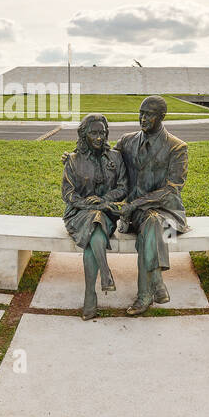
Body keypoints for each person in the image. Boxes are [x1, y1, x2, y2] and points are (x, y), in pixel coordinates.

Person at [115, 95, 190, 313]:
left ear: (162, 117)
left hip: (169, 217)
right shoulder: (127, 141)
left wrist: (135, 203)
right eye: (141, 113)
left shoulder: (177, 147)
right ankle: (156, 282)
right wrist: (76, 157)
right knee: (150, 223)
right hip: (135, 216)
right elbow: (106, 161)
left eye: (149, 115)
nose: (143, 118)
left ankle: (144, 294)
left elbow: (172, 189)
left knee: (153, 223)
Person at [61, 114, 129, 317]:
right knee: (94, 219)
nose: (99, 137)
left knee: (97, 220)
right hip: (78, 214)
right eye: (93, 133)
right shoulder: (73, 160)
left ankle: (91, 293)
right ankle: (104, 275)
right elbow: (68, 193)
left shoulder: (115, 157)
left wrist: (104, 200)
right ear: (84, 135)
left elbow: (123, 187)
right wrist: (86, 203)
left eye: (102, 133)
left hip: (107, 213)